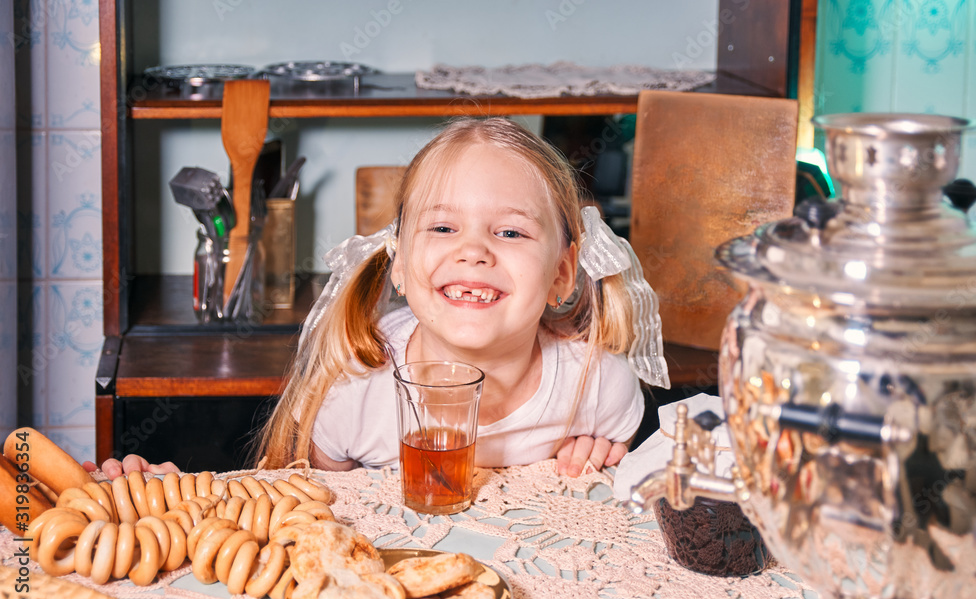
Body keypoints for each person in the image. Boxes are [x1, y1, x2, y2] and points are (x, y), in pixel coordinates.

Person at [87, 117, 669, 480]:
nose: (474, 252)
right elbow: (303, 508)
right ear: (396, 262)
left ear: (563, 274)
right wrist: (165, 490)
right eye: (442, 229)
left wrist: (602, 458)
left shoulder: (600, 388)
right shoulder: (355, 390)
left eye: (510, 232)